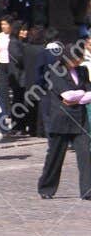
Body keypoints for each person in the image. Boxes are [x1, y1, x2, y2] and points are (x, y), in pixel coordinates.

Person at [38, 41, 91, 200]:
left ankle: (88, 190)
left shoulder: (82, 70)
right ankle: (46, 188)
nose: (80, 60)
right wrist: (79, 95)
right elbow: (66, 95)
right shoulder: (56, 71)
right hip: (61, 119)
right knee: (55, 155)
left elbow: (87, 94)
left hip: (80, 119)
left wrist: (78, 96)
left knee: (86, 155)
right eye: (77, 57)